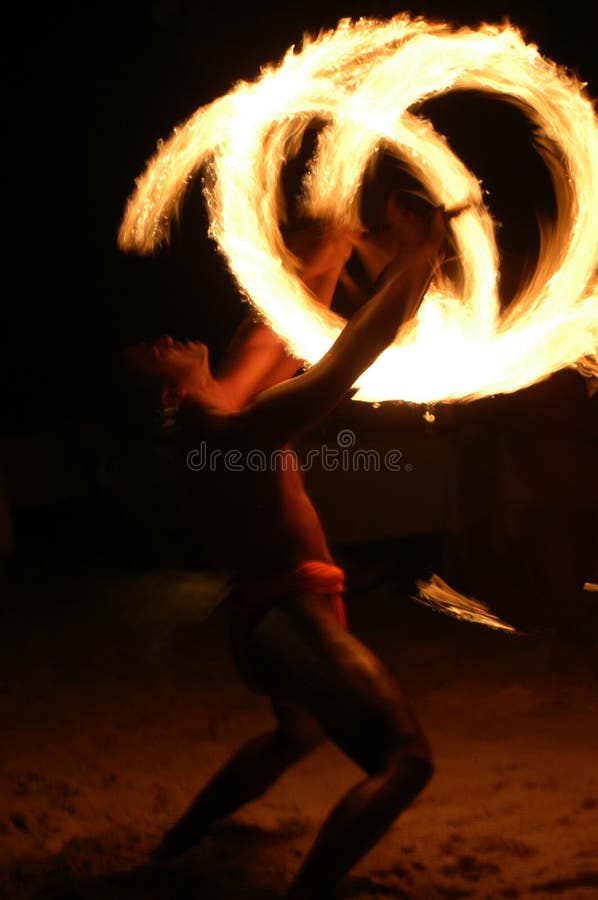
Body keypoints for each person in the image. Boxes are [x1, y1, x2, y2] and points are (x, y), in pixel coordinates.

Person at [121, 197, 449, 898]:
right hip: (287, 618)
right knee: (405, 760)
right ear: (168, 396)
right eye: (158, 353)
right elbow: (347, 360)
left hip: (270, 616)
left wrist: (325, 259)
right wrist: (419, 257)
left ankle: (177, 839)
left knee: (297, 736)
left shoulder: (220, 417)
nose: (170, 337)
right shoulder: (235, 435)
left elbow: (276, 335)